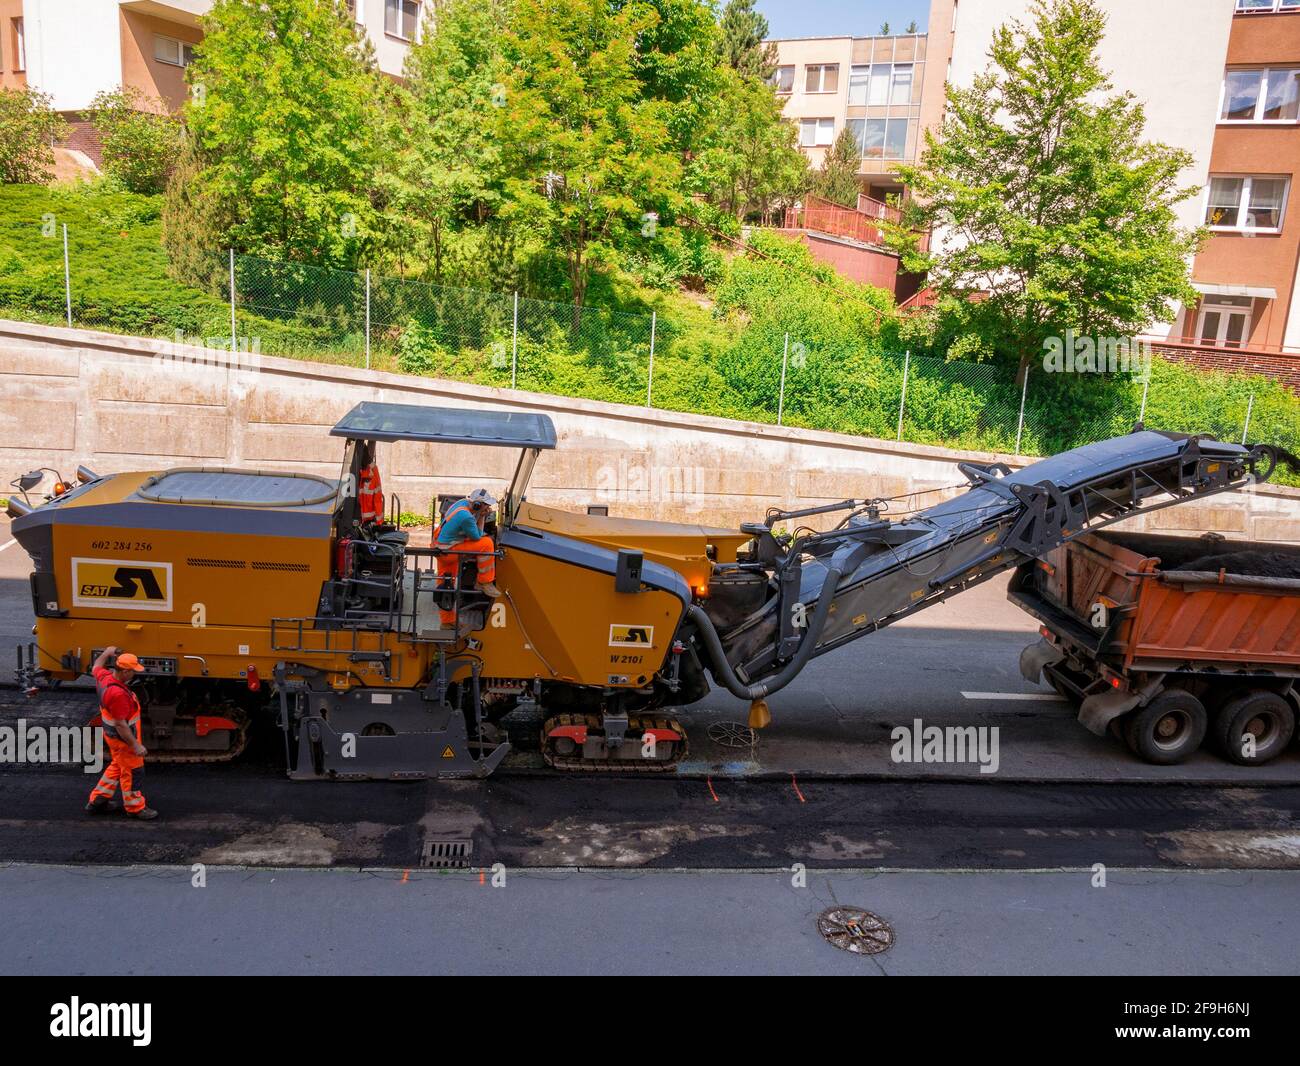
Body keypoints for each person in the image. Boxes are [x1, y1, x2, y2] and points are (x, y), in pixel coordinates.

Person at [86, 646, 158, 820]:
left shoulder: (105, 678)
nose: (134, 674)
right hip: (123, 739)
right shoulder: (118, 695)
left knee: (118, 766)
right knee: (133, 771)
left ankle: (98, 800)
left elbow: (96, 666)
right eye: (133, 671)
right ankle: (135, 807)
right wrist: (135, 745)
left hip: (111, 736)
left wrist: (106, 653)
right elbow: (121, 724)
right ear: (125, 671)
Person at [436, 488, 501, 625]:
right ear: (477, 505)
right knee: (487, 544)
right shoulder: (465, 516)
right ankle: (484, 582)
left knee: (445, 585)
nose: (488, 508)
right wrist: (482, 516)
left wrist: (479, 513)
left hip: (442, 548)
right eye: (486, 505)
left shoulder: (462, 503)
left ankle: (447, 621)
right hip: (450, 551)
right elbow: (477, 536)